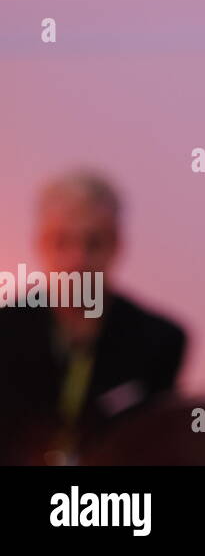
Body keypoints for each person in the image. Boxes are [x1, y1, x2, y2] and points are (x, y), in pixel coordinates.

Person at [0, 170, 187, 465]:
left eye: (93, 242)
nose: (78, 260)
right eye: (62, 242)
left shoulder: (160, 341)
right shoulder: (6, 331)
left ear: (116, 245)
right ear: (41, 244)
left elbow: (156, 448)